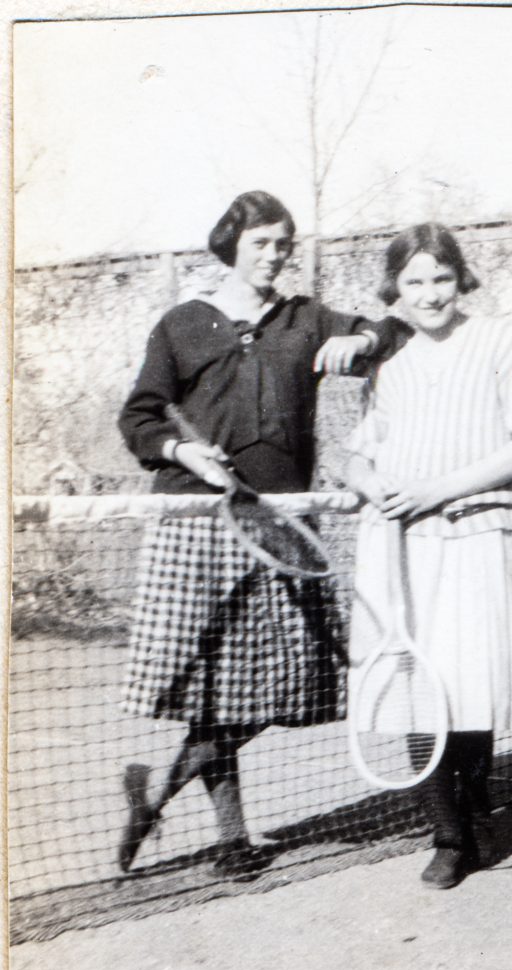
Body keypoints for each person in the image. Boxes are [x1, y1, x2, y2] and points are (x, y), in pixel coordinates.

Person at [117, 189, 396, 877]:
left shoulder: (307, 321)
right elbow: (141, 418)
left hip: (281, 526)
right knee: (217, 689)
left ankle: (153, 796)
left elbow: (398, 334)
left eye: (283, 244)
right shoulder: (182, 324)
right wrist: (185, 453)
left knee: (277, 686)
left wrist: (361, 339)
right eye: (261, 244)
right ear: (231, 246)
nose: (274, 256)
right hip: (197, 525)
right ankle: (232, 841)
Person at [346, 222, 512, 889]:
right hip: (400, 547)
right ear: (394, 287)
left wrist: (438, 490)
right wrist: (373, 486)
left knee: (471, 690)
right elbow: (357, 454)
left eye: (441, 278)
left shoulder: (503, 341)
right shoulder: (387, 356)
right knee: (416, 693)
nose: (430, 294)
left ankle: (471, 799)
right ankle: (450, 835)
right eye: (414, 281)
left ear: (461, 277)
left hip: (478, 539)